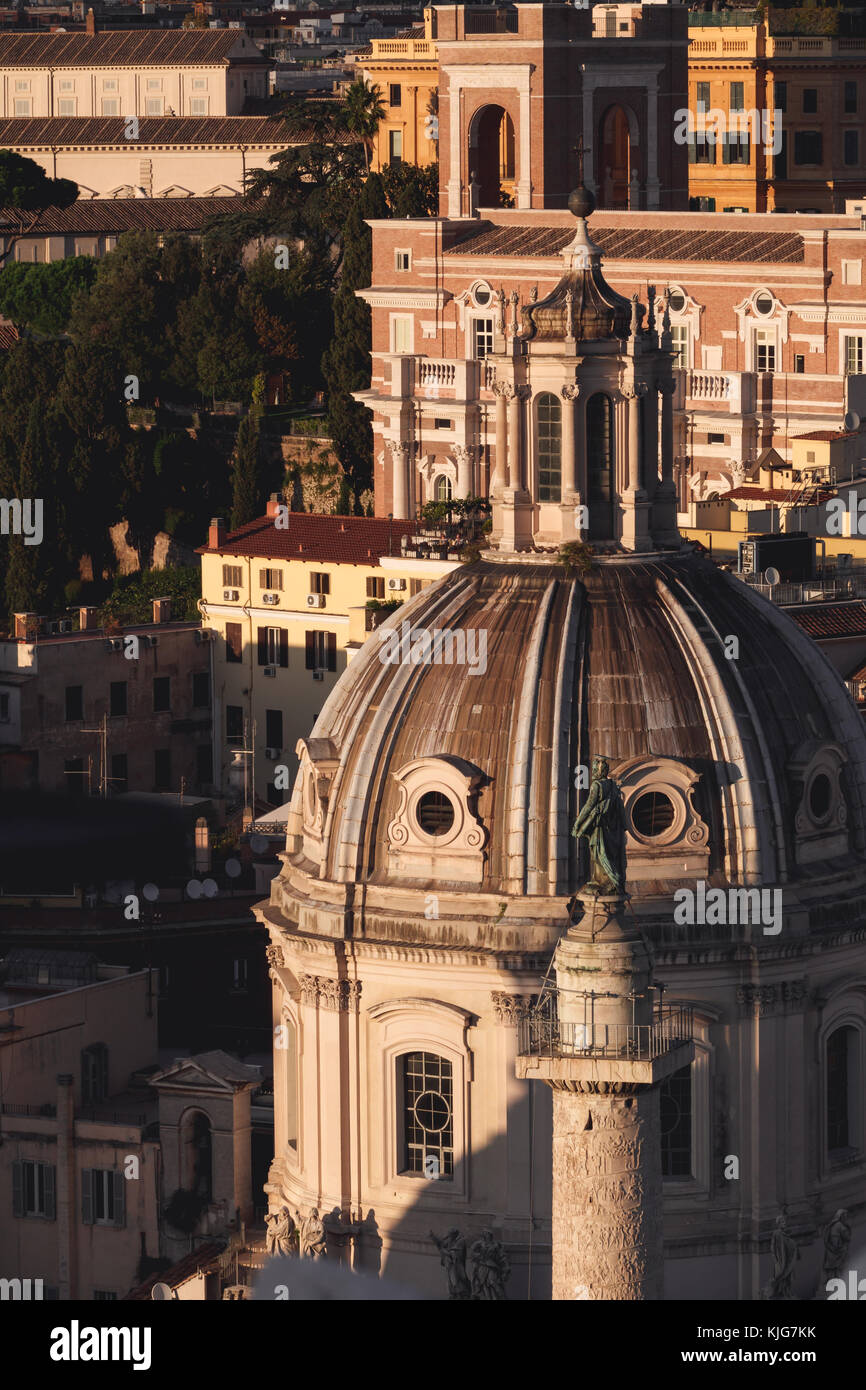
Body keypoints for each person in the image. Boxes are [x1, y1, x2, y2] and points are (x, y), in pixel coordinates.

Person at [571, 756, 625, 897]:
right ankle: (603, 881)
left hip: (600, 828)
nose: (593, 771)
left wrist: (577, 824)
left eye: (595, 769)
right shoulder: (613, 785)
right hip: (612, 829)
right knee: (608, 856)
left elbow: (588, 807)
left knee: (599, 856)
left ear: (599, 771)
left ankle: (607, 882)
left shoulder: (597, 786)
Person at [430, 1227, 471, 1300]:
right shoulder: (450, 1240)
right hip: (450, 1265)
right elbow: (441, 1243)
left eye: (450, 1235)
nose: (449, 1237)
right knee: (450, 1281)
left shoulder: (460, 1242)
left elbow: (456, 1253)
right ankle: (454, 1294)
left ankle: (461, 1294)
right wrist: (433, 1237)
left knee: (458, 1279)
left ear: (454, 1235)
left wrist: (445, 1251)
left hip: (457, 1265)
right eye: (449, 1235)